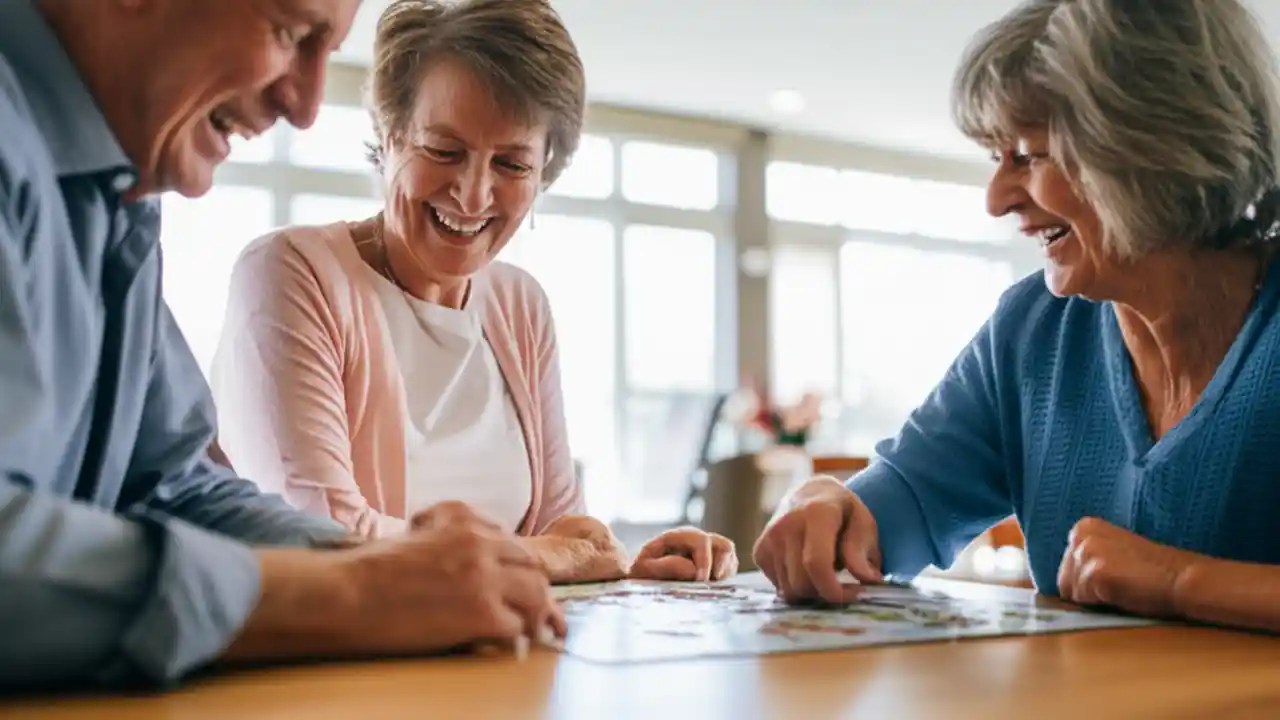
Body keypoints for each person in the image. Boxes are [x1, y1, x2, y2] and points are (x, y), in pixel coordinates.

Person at [0, 0, 568, 691]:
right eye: (290, 32)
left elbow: (175, 485)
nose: (304, 106)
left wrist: (402, 571)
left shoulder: (121, 194)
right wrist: (358, 595)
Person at [754, 0, 1280, 633]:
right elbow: (907, 501)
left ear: (1150, 146)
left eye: (1028, 157)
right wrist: (826, 507)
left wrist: (1180, 581)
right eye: (995, 160)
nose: (997, 200)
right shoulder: (1032, 329)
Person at [210, 0, 737, 584]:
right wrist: (546, 556)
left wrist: (639, 568)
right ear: (389, 138)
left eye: (512, 164)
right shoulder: (291, 272)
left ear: (543, 175)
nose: (472, 194)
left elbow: (564, 535)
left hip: (506, 659)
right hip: (342, 663)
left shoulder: (521, 305)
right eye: (443, 150)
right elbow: (316, 533)